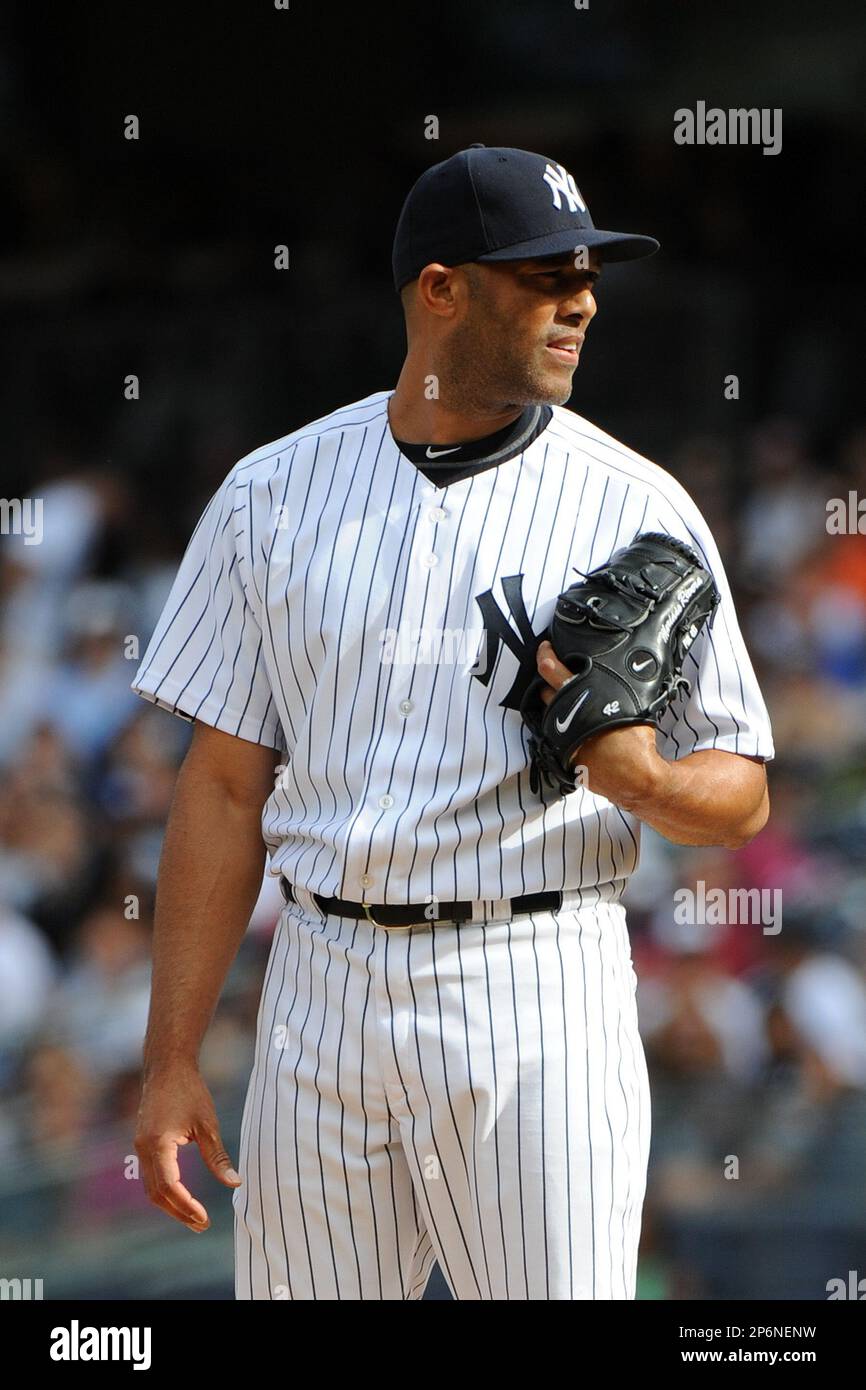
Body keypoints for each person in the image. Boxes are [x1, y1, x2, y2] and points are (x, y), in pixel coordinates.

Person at [132, 145, 772, 1300]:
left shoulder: (633, 501)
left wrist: (642, 779)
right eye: (540, 273)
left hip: (534, 979)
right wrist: (171, 1055)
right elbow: (221, 788)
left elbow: (742, 789)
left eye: (585, 273)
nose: (579, 297)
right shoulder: (270, 494)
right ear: (440, 289)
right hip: (318, 981)